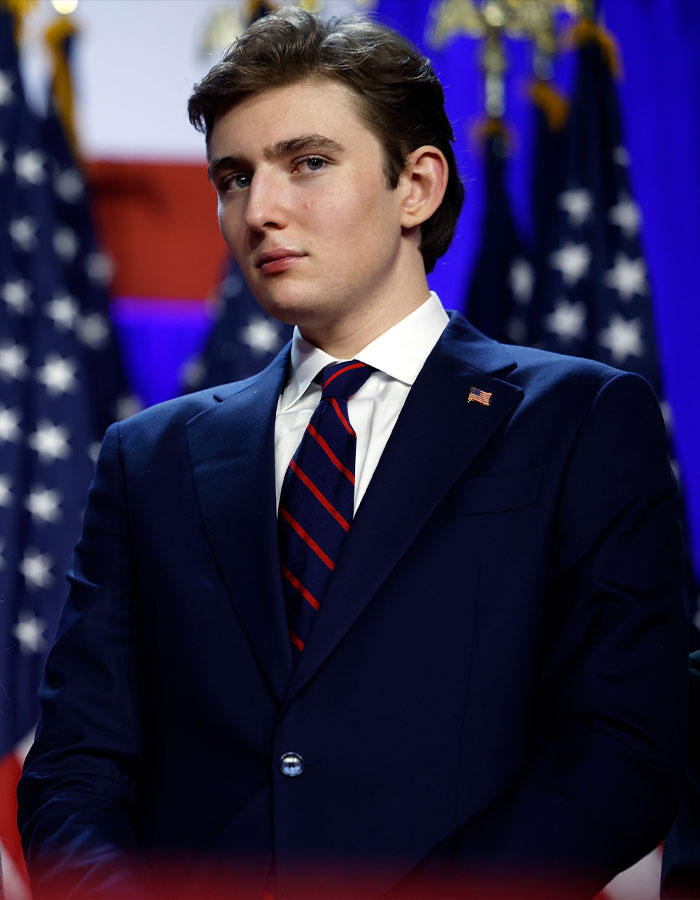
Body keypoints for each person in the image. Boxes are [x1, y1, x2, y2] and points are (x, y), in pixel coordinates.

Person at [18, 8, 687, 899]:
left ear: (416, 185)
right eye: (233, 176)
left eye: (308, 163)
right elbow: (74, 770)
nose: (261, 211)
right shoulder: (149, 457)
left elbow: (622, 748)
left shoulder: (579, 419)